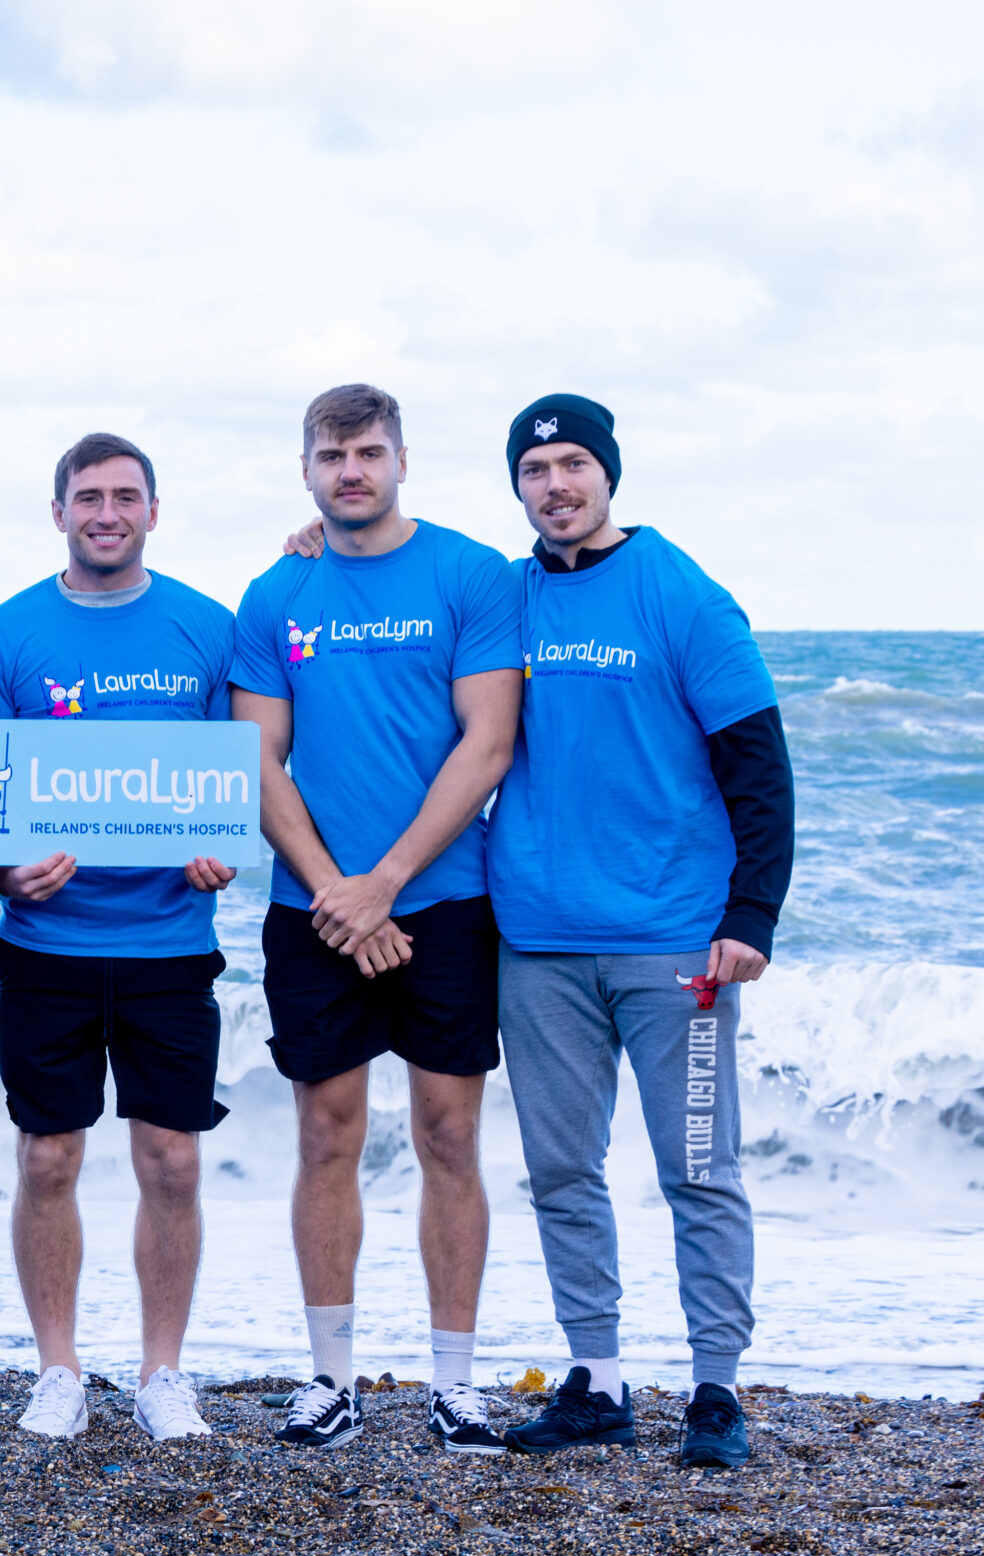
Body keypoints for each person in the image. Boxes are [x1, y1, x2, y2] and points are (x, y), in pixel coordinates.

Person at [481, 396, 792, 1467]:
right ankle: (598, 1379)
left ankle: (714, 1387)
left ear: (607, 474)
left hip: (676, 947)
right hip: (536, 941)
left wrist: (750, 915)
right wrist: (312, 542)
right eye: (535, 469)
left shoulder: (683, 595)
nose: (555, 485)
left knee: (697, 1166)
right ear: (516, 486)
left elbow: (758, 767)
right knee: (560, 1168)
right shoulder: (504, 598)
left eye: (573, 464)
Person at [231, 384, 521, 1455]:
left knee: (450, 1136)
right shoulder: (278, 590)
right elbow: (258, 760)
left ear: (399, 458)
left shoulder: (467, 575)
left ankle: (457, 1385)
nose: (348, 470)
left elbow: (483, 746)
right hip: (311, 908)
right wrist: (333, 896)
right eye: (329, 455)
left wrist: (383, 884)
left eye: (365, 451)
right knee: (326, 1136)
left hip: (442, 903)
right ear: (305, 469)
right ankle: (330, 1380)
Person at [0, 433, 238, 1443]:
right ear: (59, 511)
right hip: (46, 949)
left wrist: (216, 845)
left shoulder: (208, 628)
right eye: (87, 497)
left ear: (153, 510)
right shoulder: (3, 636)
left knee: (170, 1161)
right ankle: (58, 1368)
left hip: (169, 946)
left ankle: (162, 1371)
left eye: (125, 496)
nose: (106, 512)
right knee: (50, 1159)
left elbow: (239, 776)